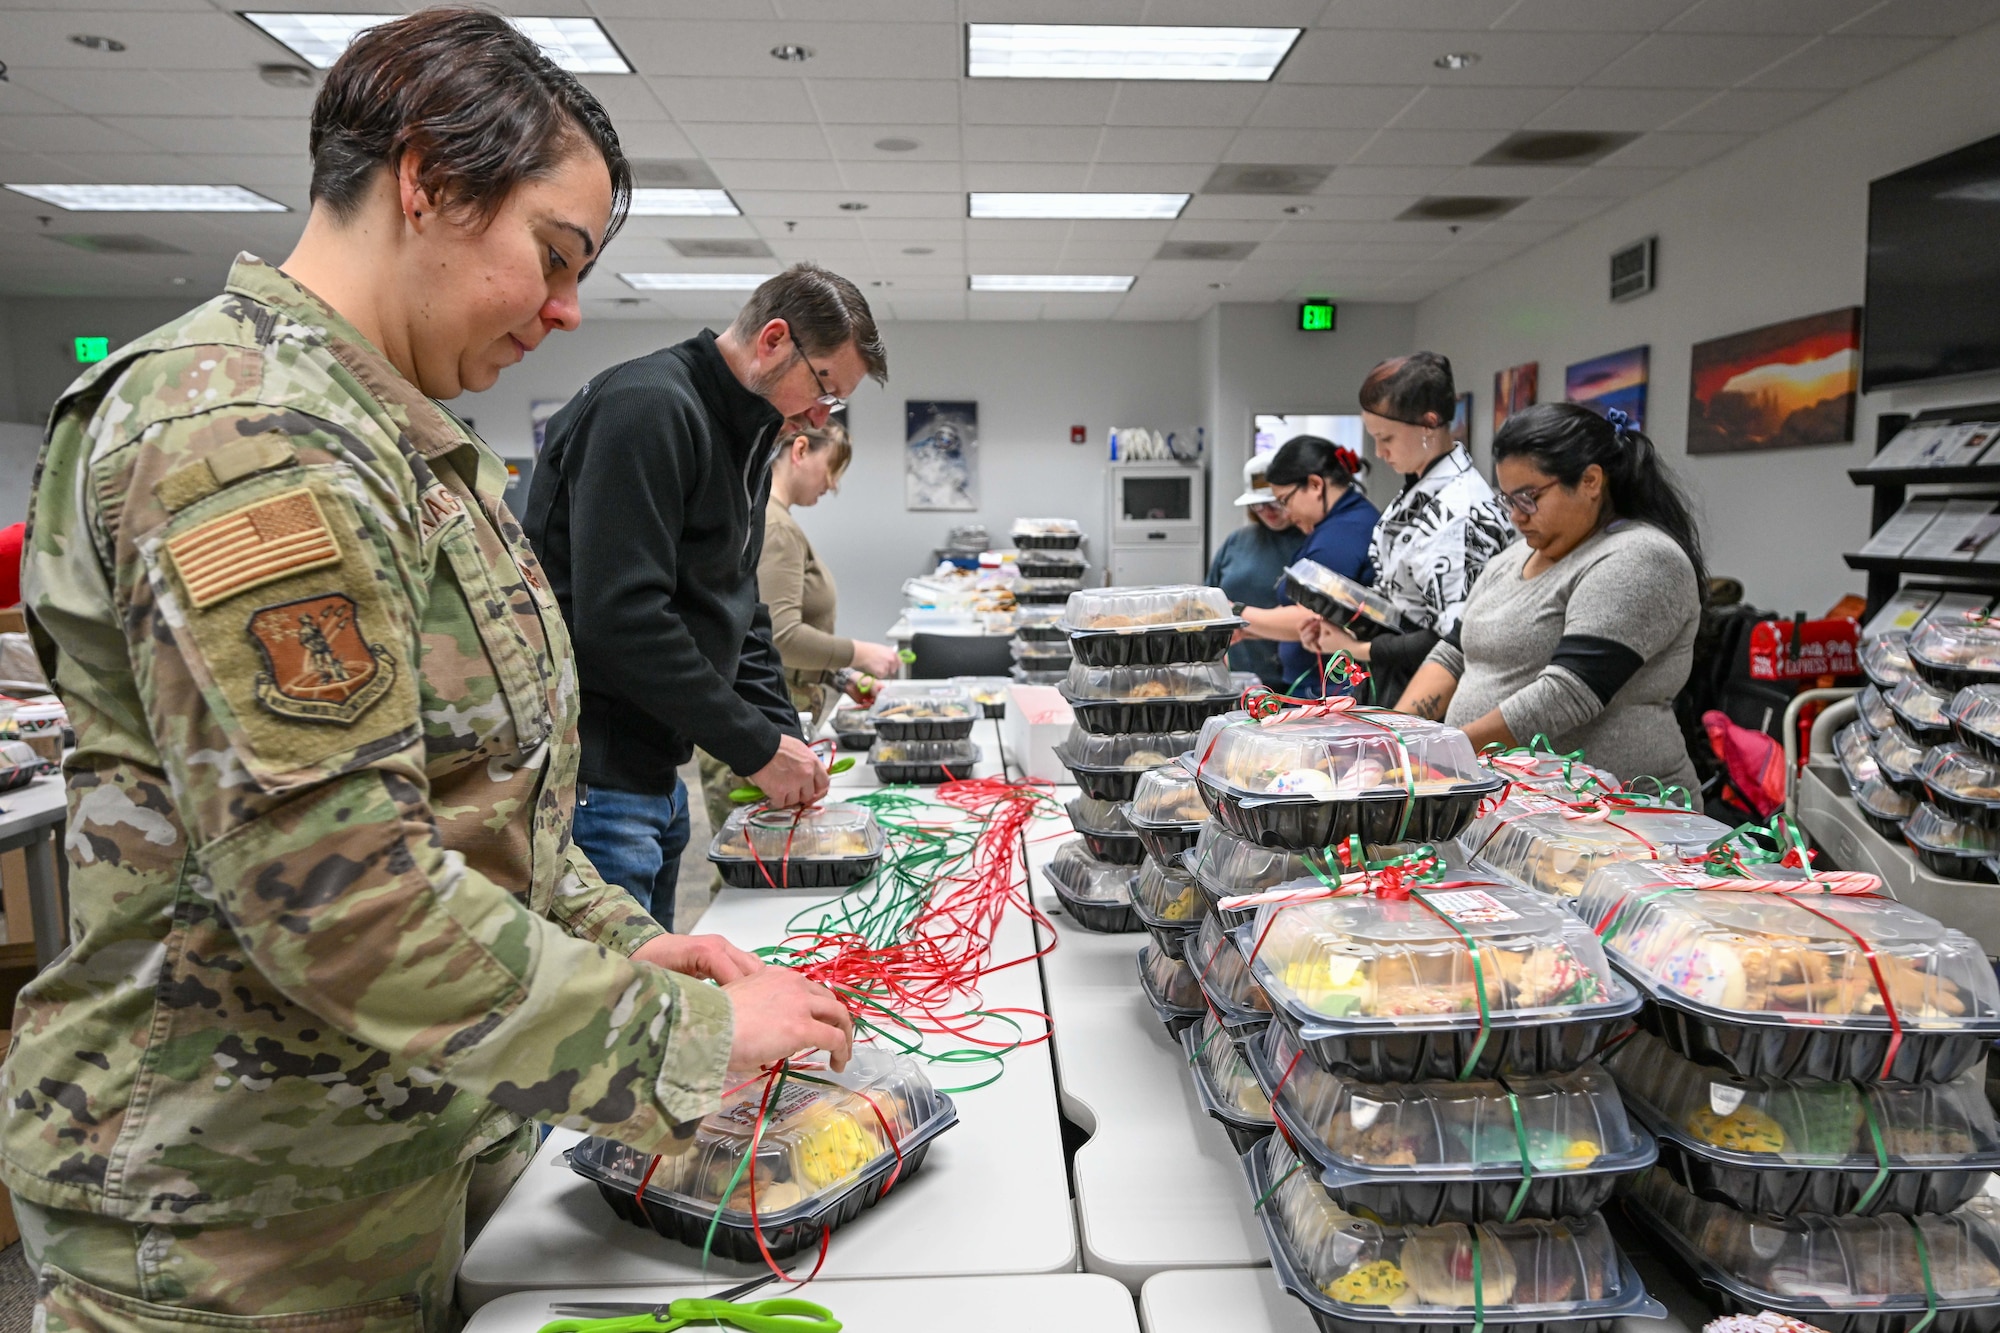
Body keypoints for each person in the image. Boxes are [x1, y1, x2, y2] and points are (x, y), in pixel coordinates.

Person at [4, 12, 852, 1328]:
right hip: (235, 1211)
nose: (570, 311)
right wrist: (675, 1041)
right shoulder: (243, 434)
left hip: (396, 1147)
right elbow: (338, 895)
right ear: (427, 183)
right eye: (553, 256)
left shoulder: (394, 444)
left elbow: (478, 806)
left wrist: (636, 944)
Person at [523, 264, 888, 928]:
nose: (818, 415)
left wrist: (784, 738)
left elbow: (739, 609)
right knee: (619, 1012)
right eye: (824, 388)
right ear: (773, 340)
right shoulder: (649, 407)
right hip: (594, 780)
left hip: (658, 778)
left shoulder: (743, 438)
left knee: (657, 985)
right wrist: (752, 745)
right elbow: (622, 619)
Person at [1394, 403, 1705, 791]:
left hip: (1612, 816)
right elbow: (1453, 654)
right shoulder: (1513, 558)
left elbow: (1567, 694)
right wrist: (1394, 742)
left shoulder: (1641, 558)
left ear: (1591, 481)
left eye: (1528, 497)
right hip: (1509, 798)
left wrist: (1441, 755)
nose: (1516, 517)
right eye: (1507, 500)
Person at [1300, 353, 1514, 704]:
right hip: (1397, 670)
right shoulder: (1423, 484)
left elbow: (1453, 641)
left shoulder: (1461, 510)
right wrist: (1345, 622)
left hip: (1435, 689)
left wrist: (1358, 647)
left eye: (1386, 438)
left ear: (1429, 424)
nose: (1379, 452)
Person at [762, 420, 903, 720]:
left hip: (778, 704)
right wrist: (862, 652)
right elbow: (781, 637)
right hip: (764, 715)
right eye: (831, 467)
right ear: (800, 450)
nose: (834, 483)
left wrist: (840, 677)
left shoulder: (775, 521)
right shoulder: (777, 528)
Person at [1235, 435, 1380, 698]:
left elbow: (1309, 616)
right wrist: (1248, 629)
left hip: (1331, 688)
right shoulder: (1339, 525)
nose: (1286, 513)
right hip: (1319, 684)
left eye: (1284, 500)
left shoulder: (1342, 534)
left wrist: (1237, 614)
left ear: (1315, 485)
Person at [1208, 454, 1304, 689]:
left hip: (1293, 680)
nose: (1267, 512)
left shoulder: (1311, 543)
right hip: (1237, 674)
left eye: (1275, 503)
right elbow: (1210, 599)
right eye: (1257, 505)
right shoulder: (1237, 541)